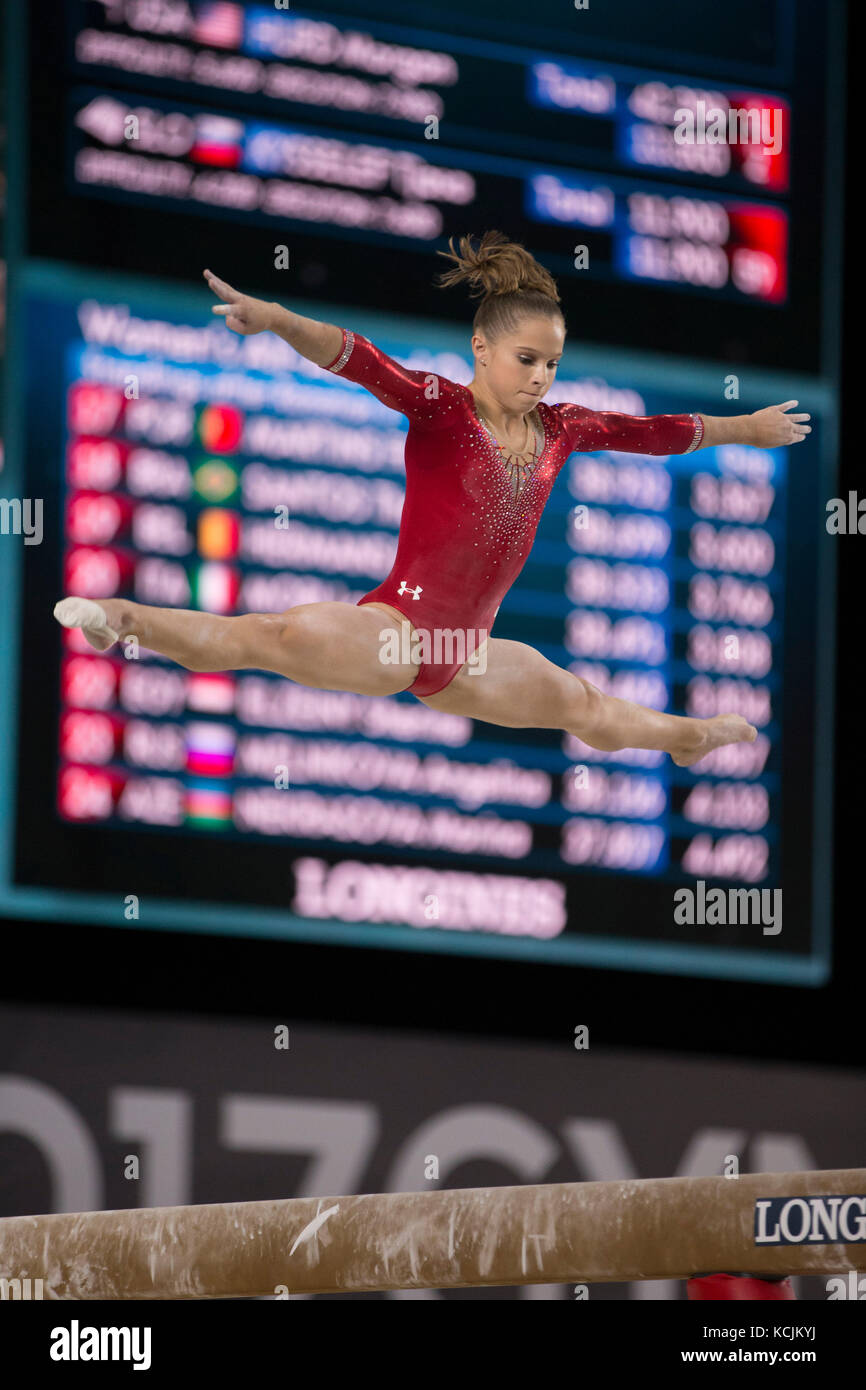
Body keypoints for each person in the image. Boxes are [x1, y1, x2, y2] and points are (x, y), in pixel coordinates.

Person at [55, 231, 810, 766]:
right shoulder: (441, 406)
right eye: (526, 359)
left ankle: (686, 738)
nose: (542, 375)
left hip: (466, 657)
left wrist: (744, 426)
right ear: (481, 350)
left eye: (552, 361)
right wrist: (281, 320)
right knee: (269, 639)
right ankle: (123, 620)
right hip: (397, 635)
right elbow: (358, 359)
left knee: (584, 708)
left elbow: (650, 432)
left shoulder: (563, 428)